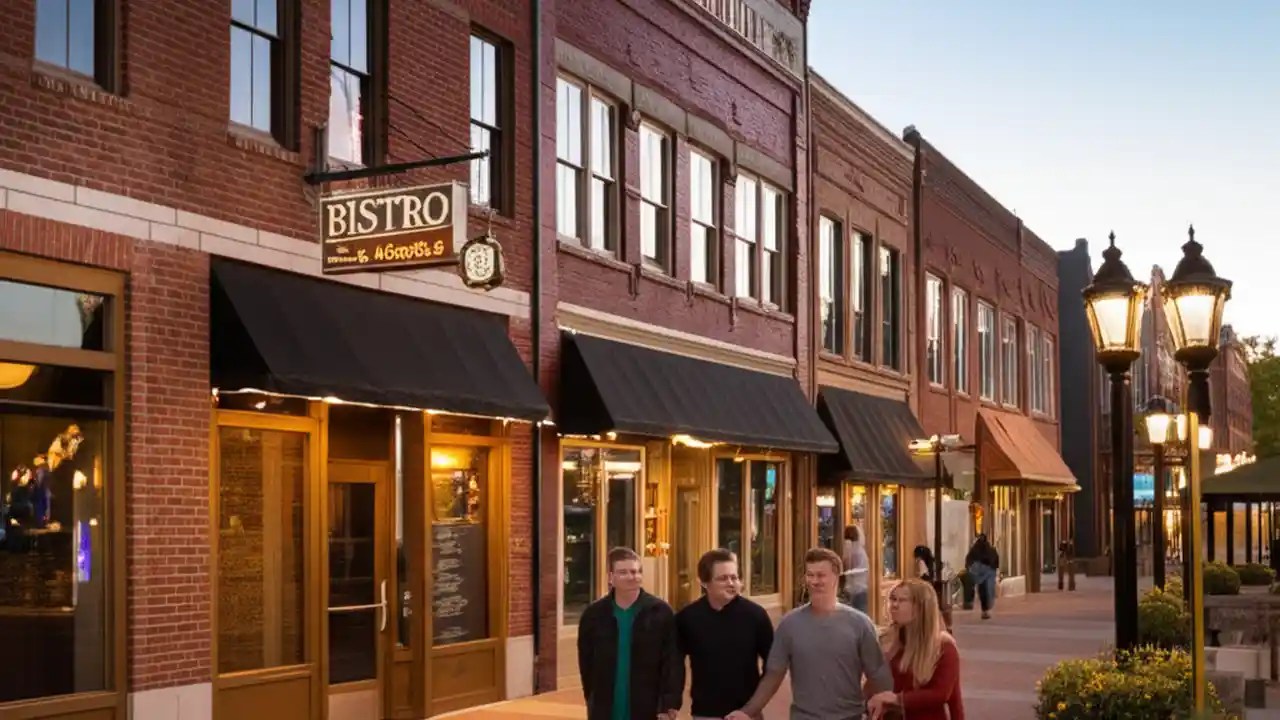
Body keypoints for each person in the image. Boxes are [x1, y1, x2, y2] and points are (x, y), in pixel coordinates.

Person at [727, 547, 893, 720]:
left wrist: (880, 706)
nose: (814, 581)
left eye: (821, 575)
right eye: (810, 575)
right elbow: (773, 675)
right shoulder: (790, 624)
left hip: (849, 716)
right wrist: (748, 711)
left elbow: (878, 674)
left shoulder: (860, 624)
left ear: (836, 577)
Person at [577, 547, 683, 720]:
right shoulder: (594, 615)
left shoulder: (660, 612)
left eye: (635, 572)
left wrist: (669, 703)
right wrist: (592, 698)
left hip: (648, 704)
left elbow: (672, 661)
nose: (631, 577)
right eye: (623, 572)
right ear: (611, 577)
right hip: (606, 705)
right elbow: (586, 662)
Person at [676, 549, 774, 720]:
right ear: (704, 583)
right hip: (705, 712)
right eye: (723, 578)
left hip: (747, 713)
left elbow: (773, 665)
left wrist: (752, 708)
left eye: (734, 577)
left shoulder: (755, 616)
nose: (731, 583)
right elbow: (673, 665)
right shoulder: (687, 618)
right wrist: (670, 703)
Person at [867, 579, 964, 720]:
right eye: (892, 599)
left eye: (902, 600)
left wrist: (897, 699)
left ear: (921, 607)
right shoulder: (885, 639)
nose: (894, 605)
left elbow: (946, 695)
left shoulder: (943, 646)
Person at [965, 534, 1000, 620]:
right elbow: (995, 560)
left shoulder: (975, 549)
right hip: (988, 572)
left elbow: (969, 559)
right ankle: (986, 609)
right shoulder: (990, 549)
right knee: (988, 590)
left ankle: (985, 610)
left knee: (983, 591)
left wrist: (970, 567)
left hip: (980, 574)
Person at [841, 525, 870, 613]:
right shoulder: (859, 550)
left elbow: (849, 568)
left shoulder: (854, 551)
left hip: (857, 589)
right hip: (858, 589)